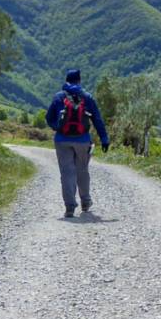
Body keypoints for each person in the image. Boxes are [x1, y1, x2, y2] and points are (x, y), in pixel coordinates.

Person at [45, 69, 109, 218]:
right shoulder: (87, 97)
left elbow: (49, 118)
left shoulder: (59, 97)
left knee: (67, 173)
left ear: (66, 80)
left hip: (62, 141)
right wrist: (104, 139)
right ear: (79, 81)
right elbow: (97, 120)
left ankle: (69, 207)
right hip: (83, 140)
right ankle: (85, 202)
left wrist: (58, 128)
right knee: (82, 170)